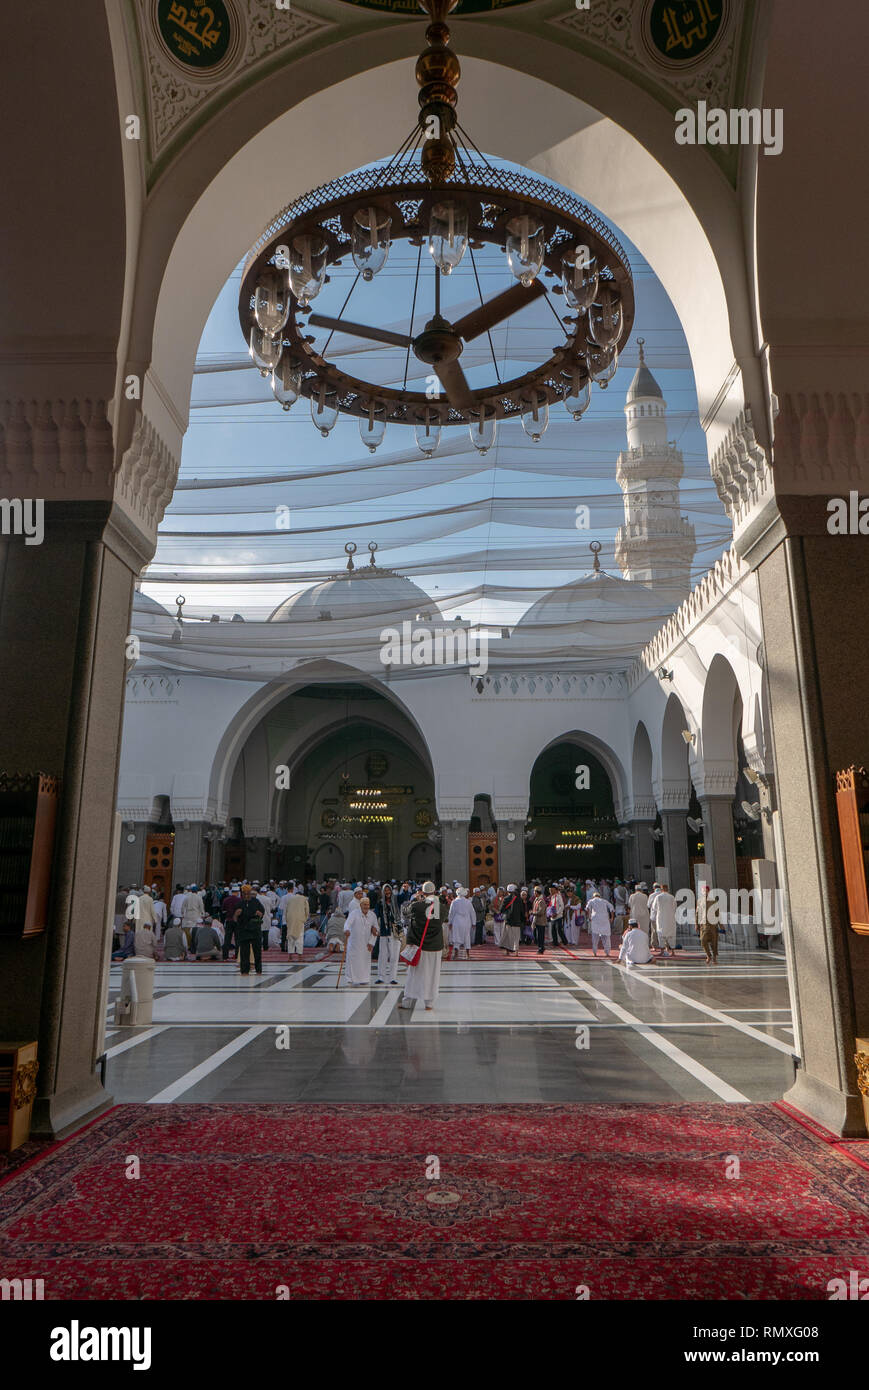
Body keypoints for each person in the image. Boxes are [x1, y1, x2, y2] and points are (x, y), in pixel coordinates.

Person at [398, 881, 444, 1011]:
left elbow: (405, 912)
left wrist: (416, 900)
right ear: (435, 892)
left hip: (421, 946)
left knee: (414, 975)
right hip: (435, 947)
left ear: (423, 893)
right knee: (433, 975)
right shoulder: (442, 907)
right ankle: (429, 1003)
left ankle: (407, 1002)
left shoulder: (417, 906)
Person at [342, 895, 379, 986]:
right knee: (352, 961)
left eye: (368, 904)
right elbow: (347, 924)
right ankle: (351, 979)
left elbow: (376, 930)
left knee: (365, 961)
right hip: (354, 943)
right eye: (364, 904)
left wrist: (372, 942)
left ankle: (364, 979)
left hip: (366, 944)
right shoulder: (354, 913)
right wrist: (346, 930)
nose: (366, 906)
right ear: (360, 905)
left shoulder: (372, 915)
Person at [234, 883, 265, 976]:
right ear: (242, 894)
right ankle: (244, 971)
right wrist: (236, 914)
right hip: (243, 930)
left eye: (248, 893)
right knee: (244, 952)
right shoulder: (239, 904)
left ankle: (258, 970)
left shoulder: (256, 902)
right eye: (244, 893)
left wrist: (260, 914)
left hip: (255, 930)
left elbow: (262, 914)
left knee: (257, 952)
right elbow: (235, 919)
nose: (247, 895)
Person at [374, 882, 401, 983]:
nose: (387, 892)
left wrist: (406, 890)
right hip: (384, 932)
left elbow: (404, 897)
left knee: (394, 955)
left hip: (395, 931)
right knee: (383, 955)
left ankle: (393, 978)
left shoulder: (395, 900)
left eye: (388, 890)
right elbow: (376, 914)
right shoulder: (380, 903)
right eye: (385, 891)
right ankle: (381, 977)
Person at [448, 887, 475, 961]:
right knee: (467, 937)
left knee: (456, 937)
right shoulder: (468, 902)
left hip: (457, 921)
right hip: (467, 921)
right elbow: (472, 912)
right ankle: (468, 955)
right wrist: (474, 923)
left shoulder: (454, 902)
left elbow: (451, 913)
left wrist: (450, 922)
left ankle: (456, 955)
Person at [651, 883, 678, 957]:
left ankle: (662, 951)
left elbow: (654, 908)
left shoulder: (658, 897)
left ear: (661, 889)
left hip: (661, 918)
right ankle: (672, 951)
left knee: (661, 934)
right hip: (670, 918)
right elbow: (675, 907)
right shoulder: (672, 897)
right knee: (671, 934)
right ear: (667, 889)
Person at [697, 883, 720, 965]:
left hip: (712, 924)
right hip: (703, 925)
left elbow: (717, 914)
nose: (705, 892)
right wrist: (696, 924)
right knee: (703, 941)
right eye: (703, 891)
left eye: (706, 891)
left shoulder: (713, 901)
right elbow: (697, 913)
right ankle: (708, 955)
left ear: (708, 891)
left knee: (714, 942)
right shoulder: (699, 901)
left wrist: (720, 924)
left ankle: (714, 958)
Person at [586, 891, 615, 956]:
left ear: (594, 896)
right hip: (604, 919)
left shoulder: (591, 900)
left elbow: (587, 908)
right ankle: (607, 952)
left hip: (595, 919)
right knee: (606, 937)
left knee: (595, 936)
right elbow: (612, 908)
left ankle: (595, 952)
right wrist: (612, 918)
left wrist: (589, 916)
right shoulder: (604, 901)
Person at [500, 884, 524, 957]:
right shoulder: (519, 899)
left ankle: (507, 951)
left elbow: (501, 909)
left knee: (507, 936)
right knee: (516, 937)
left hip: (508, 920)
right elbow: (521, 911)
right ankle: (516, 952)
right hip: (517, 921)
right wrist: (522, 919)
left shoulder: (506, 899)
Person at [284, 887, 308, 957]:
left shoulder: (290, 899)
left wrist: (287, 920)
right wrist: (304, 919)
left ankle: (290, 955)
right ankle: (299, 956)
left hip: (291, 920)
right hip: (300, 920)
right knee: (299, 937)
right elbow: (307, 911)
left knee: (290, 937)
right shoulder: (304, 899)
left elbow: (286, 911)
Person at [221, 883, 242, 961]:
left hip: (229, 920)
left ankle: (225, 956)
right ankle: (237, 956)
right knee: (237, 939)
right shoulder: (240, 900)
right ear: (237, 892)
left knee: (227, 939)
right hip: (237, 921)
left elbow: (223, 910)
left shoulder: (226, 900)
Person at [531, 885, 548, 955]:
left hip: (541, 921)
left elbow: (541, 911)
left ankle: (541, 948)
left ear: (537, 892)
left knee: (540, 936)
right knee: (537, 935)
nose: (534, 893)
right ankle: (541, 947)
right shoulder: (536, 900)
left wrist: (533, 913)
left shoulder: (541, 901)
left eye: (534, 892)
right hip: (537, 920)